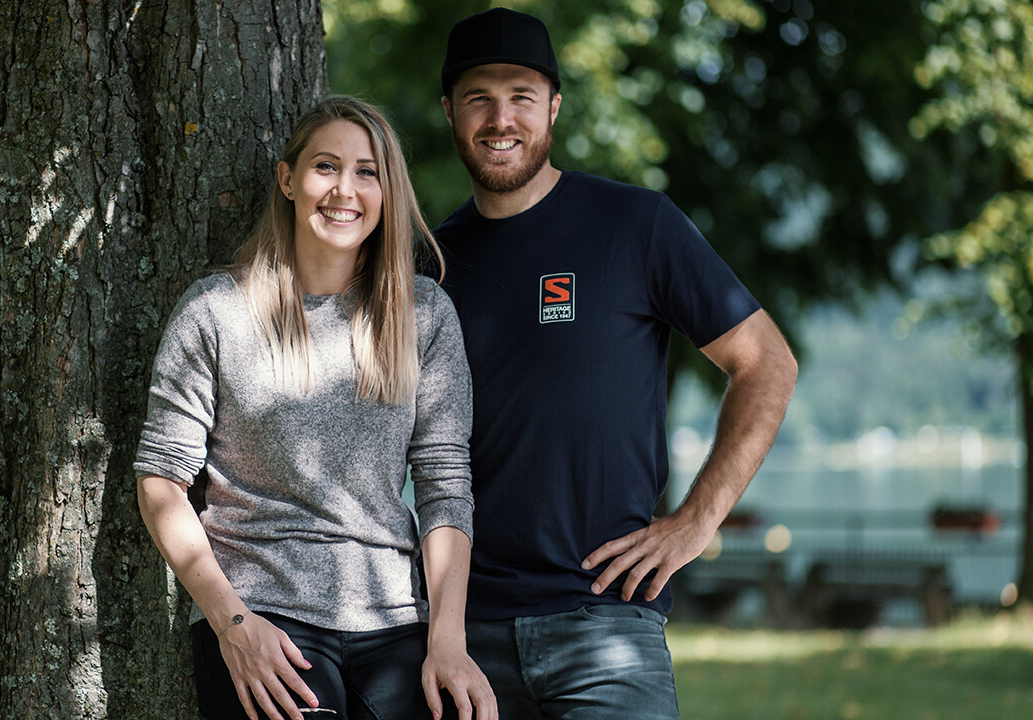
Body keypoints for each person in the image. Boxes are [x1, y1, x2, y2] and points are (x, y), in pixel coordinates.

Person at [431, 8, 799, 719]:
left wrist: (697, 521)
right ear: (449, 110)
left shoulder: (635, 225)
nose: (500, 118)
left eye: (522, 97)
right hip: (464, 641)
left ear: (555, 108)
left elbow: (766, 364)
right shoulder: (431, 264)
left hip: (607, 629)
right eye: (478, 97)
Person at [134, 96, 497, 720]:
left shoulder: (425, 316)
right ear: (288, 180)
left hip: (395, 620)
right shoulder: (217, 312)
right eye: (326, 166)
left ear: (387, 192)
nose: (344, 190)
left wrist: (448, 641)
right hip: (265, 618)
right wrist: (233, 625)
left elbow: (445, 487)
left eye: (367, 172)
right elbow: (162, 481)